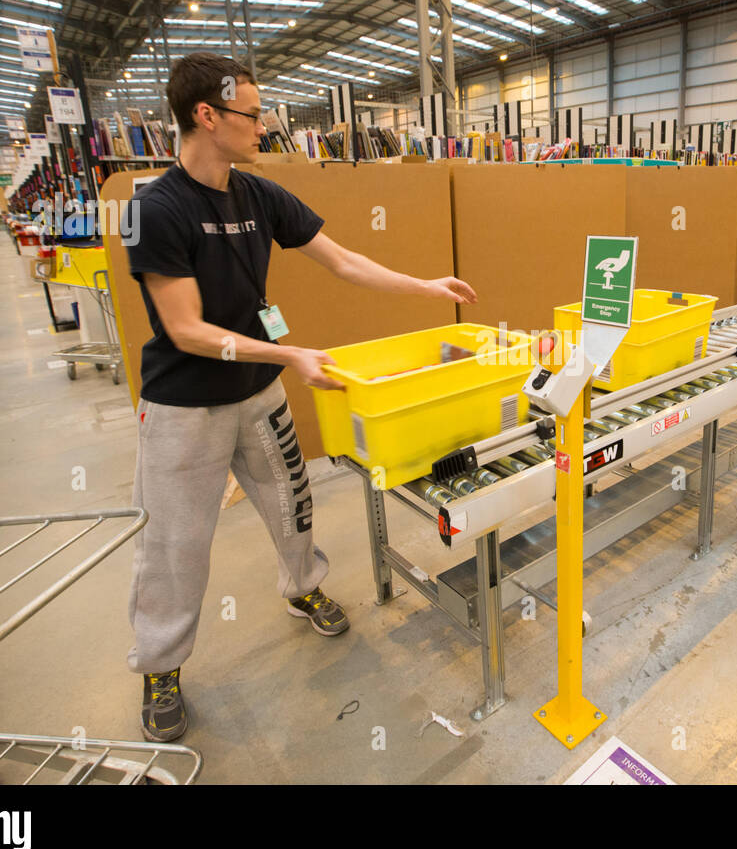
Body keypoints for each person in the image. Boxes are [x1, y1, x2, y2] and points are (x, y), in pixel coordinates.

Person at [123, 52, 477, 741]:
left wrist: (427, 287)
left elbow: (344, 261)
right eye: (253, 115)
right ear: (208, 115)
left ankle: (302, 586)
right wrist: (288, 352)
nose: (265, 127)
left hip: (259, 393)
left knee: (293, 504)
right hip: (184, 407)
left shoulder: (258, 196)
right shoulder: (153, 210)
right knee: (175, 543)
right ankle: (160, 665)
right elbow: (187, 330)